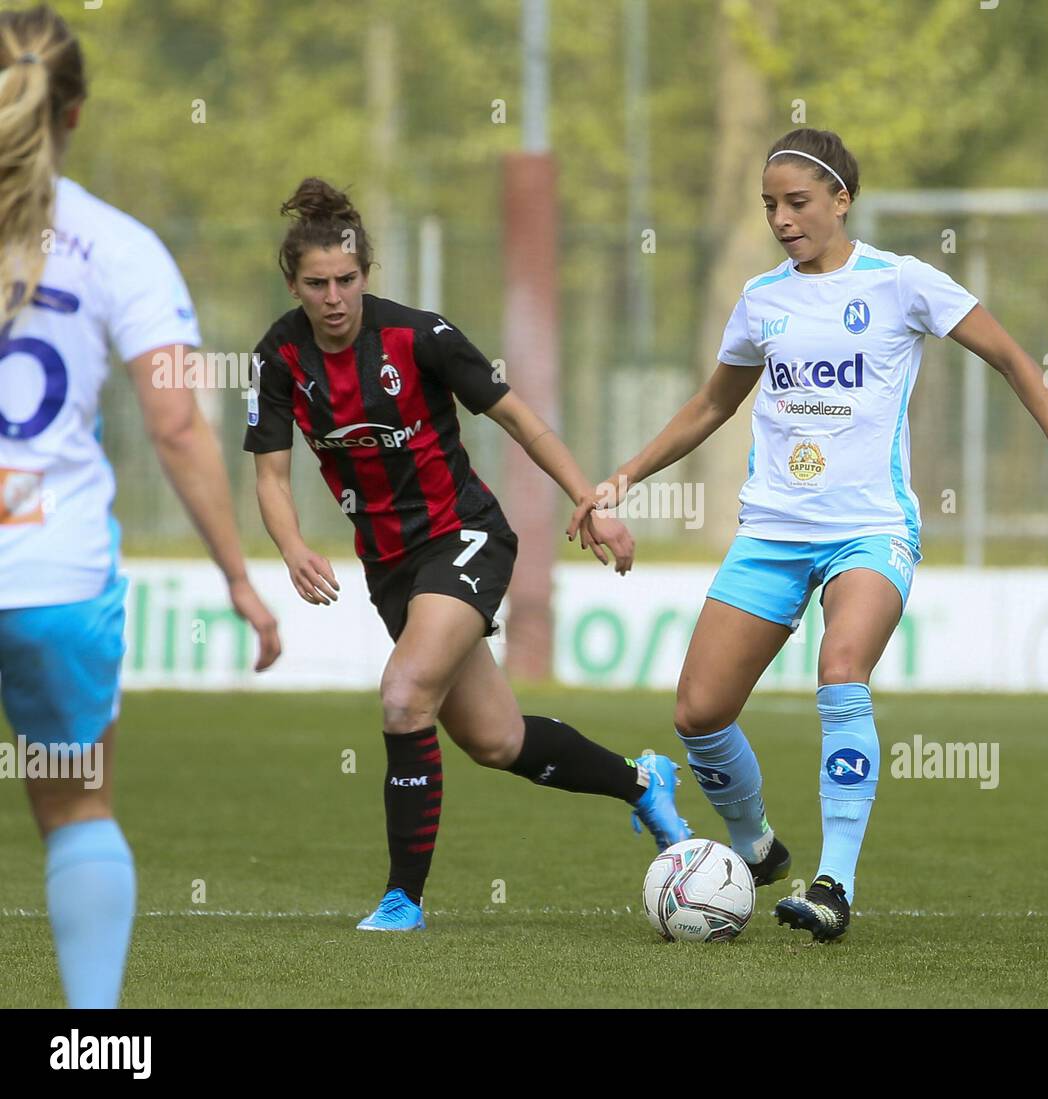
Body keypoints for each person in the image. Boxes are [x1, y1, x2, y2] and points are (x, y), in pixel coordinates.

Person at [569, 127, 1048, 942]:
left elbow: (1012, 356)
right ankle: (757, 845)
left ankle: (833, 882)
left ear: (842, 199)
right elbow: (710, 406)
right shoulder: (763, 298)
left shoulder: (903, 282)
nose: (782, 218)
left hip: (870, 530)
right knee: (698, 713)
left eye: (797, 202)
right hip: (772, 530)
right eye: (769, 205)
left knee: (842, 669)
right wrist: (619, 479)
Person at [244, 177, 689, 932]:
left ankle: (402, 900)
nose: (333, 297)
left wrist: (593, 499)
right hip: (391, 569)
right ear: (293, 283)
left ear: (366, 274)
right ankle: (643, 782)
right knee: (497, 739)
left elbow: (522, 421)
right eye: (316, 283)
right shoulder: (279, 357)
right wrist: (290, 545)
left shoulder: (421, 337)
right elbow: (270, 472)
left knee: (401, 694)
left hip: (465, 536)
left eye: (347, 280)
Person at [0, 4, 282, 1007]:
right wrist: (241, 577)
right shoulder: (118, 245)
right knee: (77, 811)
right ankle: (92, 1039)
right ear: (74, 110)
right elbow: (175, 424)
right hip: (52, 577)